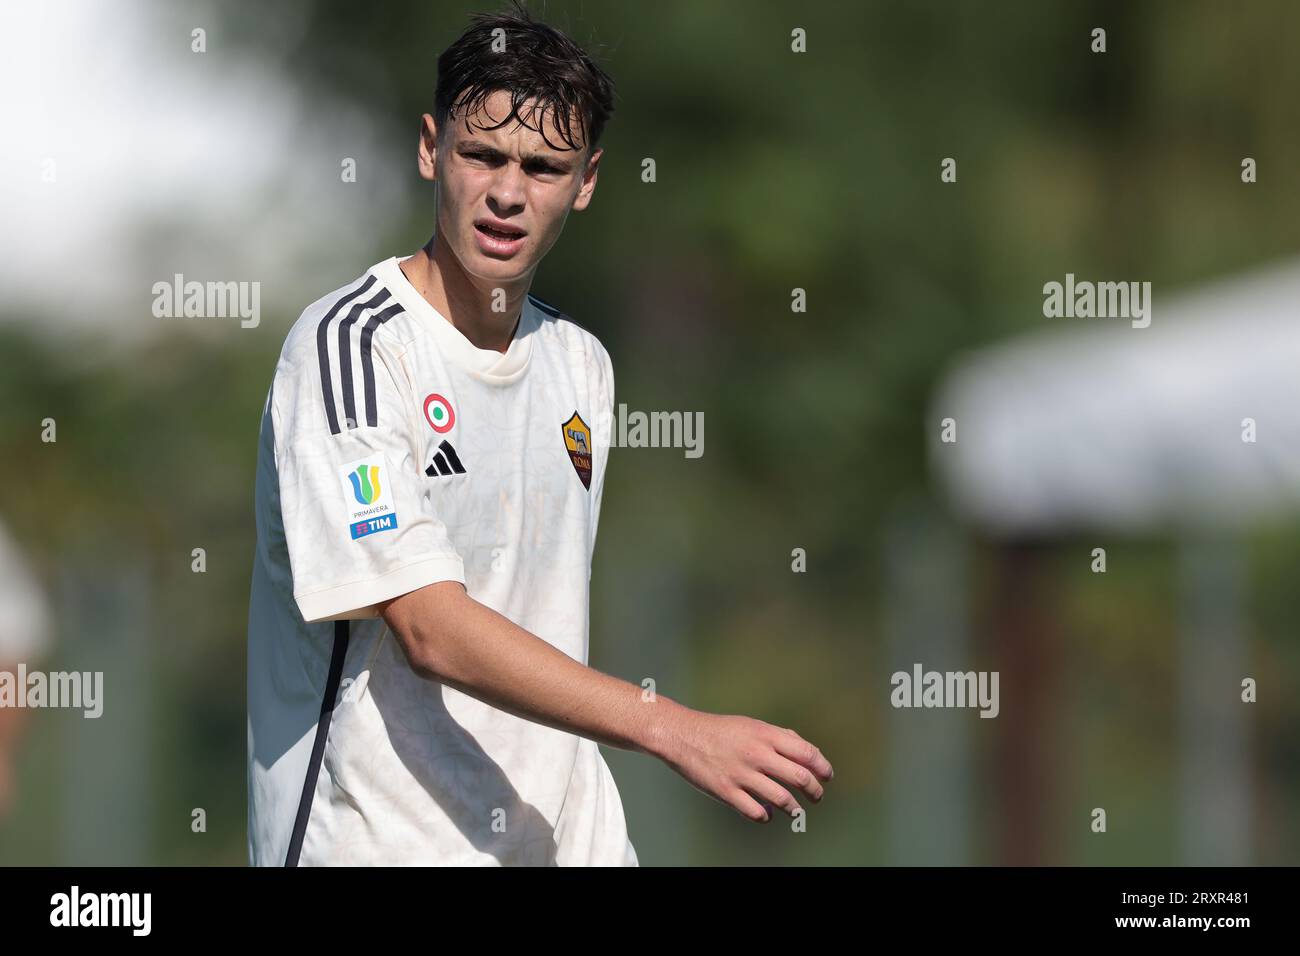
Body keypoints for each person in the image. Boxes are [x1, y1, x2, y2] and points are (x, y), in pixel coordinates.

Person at [246, 4, 832, 866]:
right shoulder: (352, 349)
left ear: (586, 181)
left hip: (565, 844)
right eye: (481, 154)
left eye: (544, 166)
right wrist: (669, 728)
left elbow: (539, 611)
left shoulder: (580, 366)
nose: (508, 192)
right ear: (430, 149)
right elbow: (429, 626)